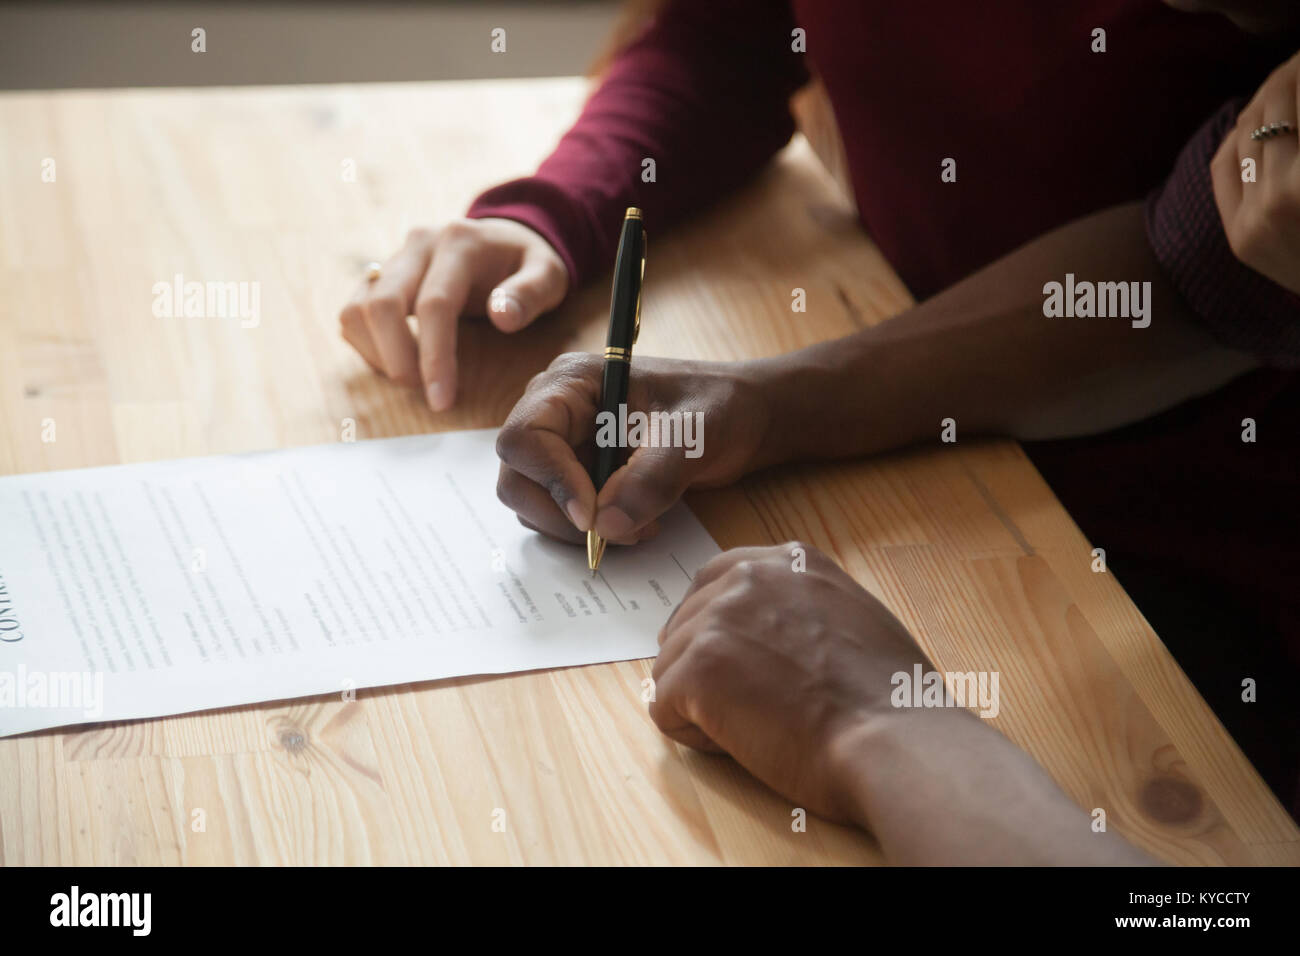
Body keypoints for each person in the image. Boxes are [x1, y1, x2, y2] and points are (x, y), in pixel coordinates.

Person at [340, 1, 1300, 857]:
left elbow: (1184, 279)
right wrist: (561, 218)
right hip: (964, 497)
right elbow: (741, 30)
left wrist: (882, 729)